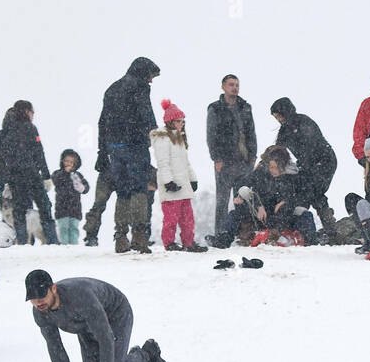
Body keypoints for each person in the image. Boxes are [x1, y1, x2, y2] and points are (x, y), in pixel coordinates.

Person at [25, 269, 169, 362]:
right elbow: (54, 346)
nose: (38, 303)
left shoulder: (80, 298)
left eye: (42, 297)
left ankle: (146, 354)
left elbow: (105, 337)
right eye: (33, 299)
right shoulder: (40, 312)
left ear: (53, 289)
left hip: (116, 314)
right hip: (84, 326)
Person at [98, 57, 161, 253]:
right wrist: (153, 132)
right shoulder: (140, 87)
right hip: (135, 144)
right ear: (144, 73)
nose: (151, 81)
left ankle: (120, 236)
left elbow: (102, 121)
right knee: (139, 189)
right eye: (151, 76)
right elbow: (146, 113)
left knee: (122, 190)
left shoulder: (112, 88)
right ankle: (139, 236)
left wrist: (102, 150)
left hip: (114, 147)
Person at [271, 97, 338, 241]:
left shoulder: (304, 122)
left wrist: (303, 169)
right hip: (307, 165)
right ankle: (323, 228)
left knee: (313, 190)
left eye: (279, 116)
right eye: (276, 118)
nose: (279, 120)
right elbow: (278, 149)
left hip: (325, 162)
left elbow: (311, 147)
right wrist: (266, 161)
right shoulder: (284, 130)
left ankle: (325, 229)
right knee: (309, 192)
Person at [0, 100, 60, 245]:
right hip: (31, 174)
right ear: (27, 111)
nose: (33, 115)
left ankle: (21, 240)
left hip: (15, 177)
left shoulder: (6, 130)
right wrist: (45, 175)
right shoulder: (30, 128)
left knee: (19, 210)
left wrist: (6, 177)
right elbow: (39, 152)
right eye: (32, 112)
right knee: (44, 206)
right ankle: (52, 240)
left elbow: (3, 156)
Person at [225, 146, 315, 244]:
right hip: (264, 216)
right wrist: (254, 203)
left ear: (284, 166)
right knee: (234, 214)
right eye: (271, 167)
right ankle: (225, 238)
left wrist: (287, 202)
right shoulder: (262, 172)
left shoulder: (293, 176)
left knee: (305, 215)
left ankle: (310, 241)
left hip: (284, 218)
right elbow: (242, 183)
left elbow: (305, 197)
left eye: (276, 167)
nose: (272, 170)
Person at [206, 74, 258, 237]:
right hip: (225, 160)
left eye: (236, 85)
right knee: (222, 200)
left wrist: (253, 155)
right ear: (223, 87)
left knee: (243, 197)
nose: (234, 87)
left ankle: (244, 232)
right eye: (231, 85)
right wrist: (217, 158)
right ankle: (220, 233)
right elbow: (211, 135)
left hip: (244, 160)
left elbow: (251, 132)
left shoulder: (245, 107)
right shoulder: (215, 108)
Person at [151, 101, 205, 252]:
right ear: (170, 122)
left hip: (183, 186)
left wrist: (192, 179)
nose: (181, 124)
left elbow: (186, 163)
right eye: (178, 121)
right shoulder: (162, 138)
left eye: (182, 121)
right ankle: (169, 243)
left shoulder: (179, 138)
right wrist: (168, 181)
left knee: (188, 218)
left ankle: (189, 242)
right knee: (171, 219)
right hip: (171, 186)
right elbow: (163, 162)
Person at [51, 149, 89, 245]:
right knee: (63, 228)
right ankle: (64, 246)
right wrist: (65, 173)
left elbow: (86, 188)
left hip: (75, 208)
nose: (68, 164)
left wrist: (82, 187)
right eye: (66, 161)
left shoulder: (77, 175)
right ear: (62, 161)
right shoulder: (57, 173)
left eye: (71, 162)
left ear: (75, 164)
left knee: (74, 228)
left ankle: (74, 246)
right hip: (61, 208)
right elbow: (55, 181)